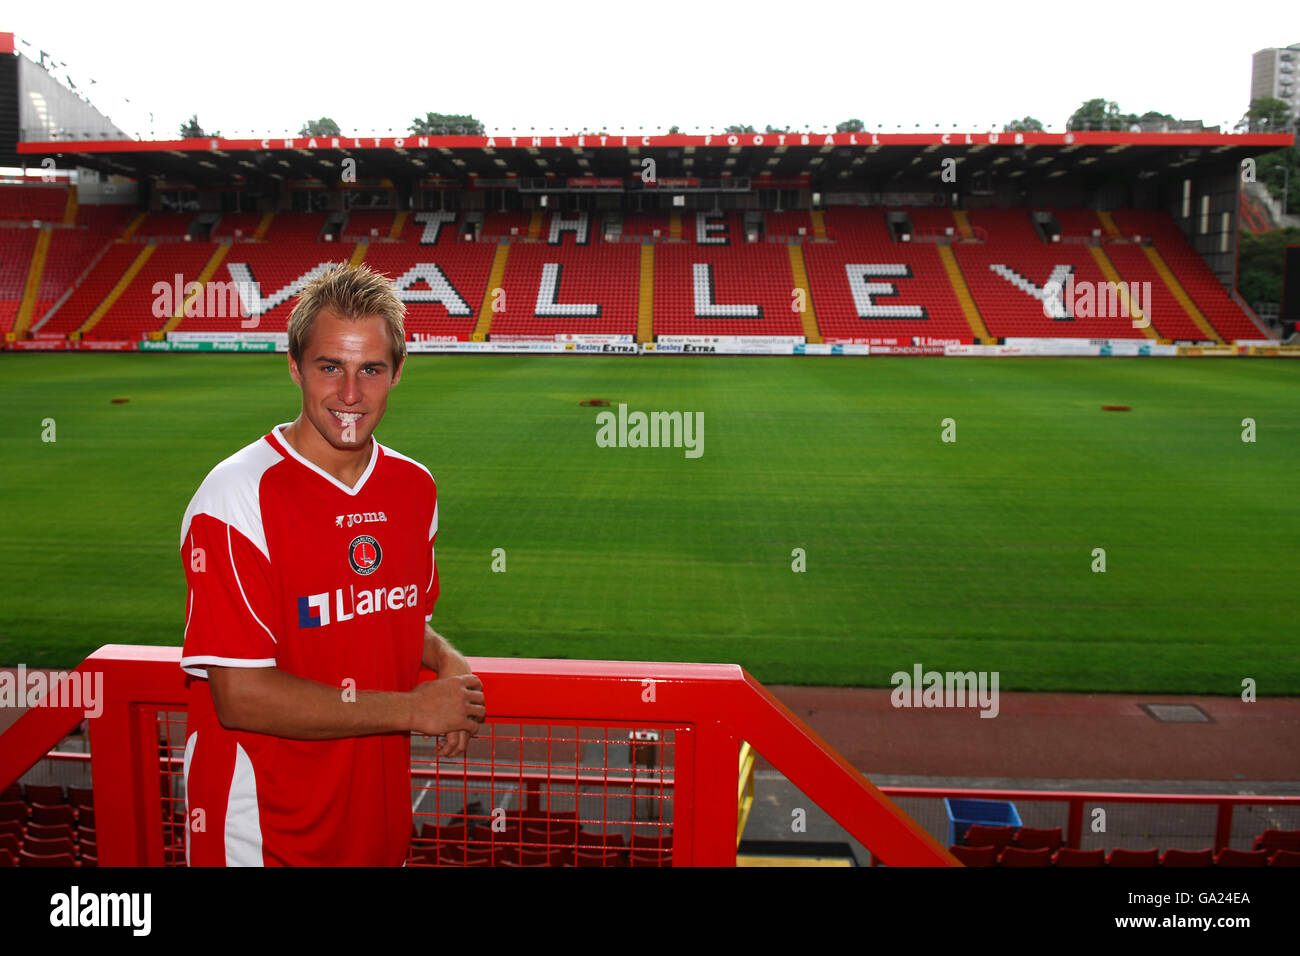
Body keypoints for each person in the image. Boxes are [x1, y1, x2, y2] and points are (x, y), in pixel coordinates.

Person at [178, 263, 484, 866]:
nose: (350, 394)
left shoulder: (413, 487)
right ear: (294, 367)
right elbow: (240, 695)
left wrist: (444, 658)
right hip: (262, 832)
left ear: (397, 373)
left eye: (369, 369)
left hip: (377, 822)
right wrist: (414, 709)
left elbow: (387, 614)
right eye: (329, 367)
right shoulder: (236, 496)